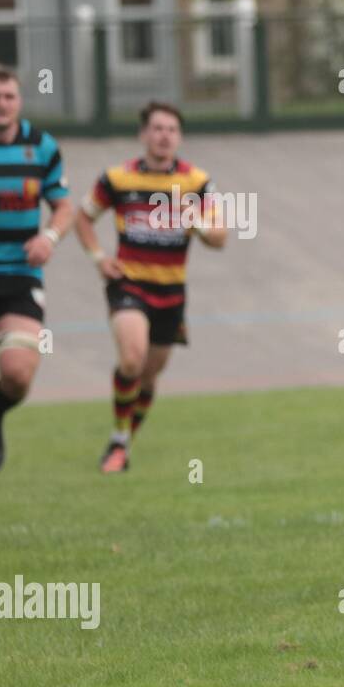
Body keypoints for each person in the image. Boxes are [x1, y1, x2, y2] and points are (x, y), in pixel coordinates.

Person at [73, 101, 226, 472]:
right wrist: (98, 257)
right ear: (143, 134)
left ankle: (122, 441)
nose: (164, 136)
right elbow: (83, 216)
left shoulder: (197, 182)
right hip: (129, 284)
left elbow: (220, 237)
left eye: (171, 130)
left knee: (150, 375)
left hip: (171, 293)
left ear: (180, 137)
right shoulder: (118, 178)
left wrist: (199, 224)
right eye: (157, 129)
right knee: (132, 358)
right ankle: (119, 441)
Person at [0, 65, 74, 472]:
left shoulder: (41, 147)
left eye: (8, 96)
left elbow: (63, 205)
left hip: (21, 277)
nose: (1, 104)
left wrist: (49, 238)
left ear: (19, 101)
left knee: (18, 373)